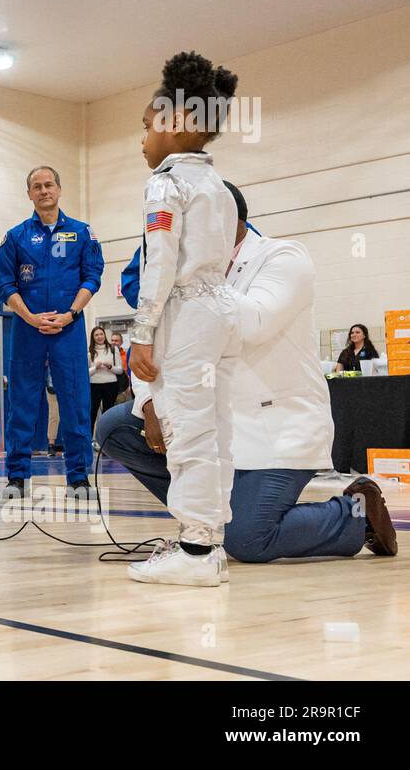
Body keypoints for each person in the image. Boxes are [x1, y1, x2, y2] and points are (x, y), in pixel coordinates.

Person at [97, 182, 397, 568]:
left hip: (277, 427)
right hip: (213, 425)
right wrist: (150, 401)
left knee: (249, 540)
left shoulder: (284, 257)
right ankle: (202, 518)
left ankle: (354, 515)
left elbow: (253, 323)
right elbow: (151, 350)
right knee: (116, 428)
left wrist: (196, 278)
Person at [125, 52, 243, 587]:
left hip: (188, 312)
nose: (143, 140)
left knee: (185, 424)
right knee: (216, 425)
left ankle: (194, 551)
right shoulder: (218, 186)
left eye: (147, 128)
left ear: (174, 125)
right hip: (223, 310)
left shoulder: (166, 183)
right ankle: (210, 542)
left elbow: (160, 263)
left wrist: (142, 334)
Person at [0, 166, 103, 499]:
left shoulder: (83, 233)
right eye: (36, 187)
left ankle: (78, 477)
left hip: (68, 330)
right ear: (29, 194)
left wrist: (70, 314)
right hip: (28, 330)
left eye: (49, 185)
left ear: (59, 189)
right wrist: (29, 317)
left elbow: (92, 277)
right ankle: (17, 477)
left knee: (75, 403)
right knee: (22, 404)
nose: (44, 191)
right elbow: (5, 284)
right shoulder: (15, 237)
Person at [87, 325, 123, 427]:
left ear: (105, 335)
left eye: (101, 334)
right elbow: (86, 373)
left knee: (108, 414)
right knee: (92, 413)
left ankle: (107, 439)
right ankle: (89, 440)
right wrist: (95, 368)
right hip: (94, 385)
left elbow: (120, 371)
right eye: (96, 335)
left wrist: (110, 367)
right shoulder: (90, 352)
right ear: (93, 337)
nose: (99, 337)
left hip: (111, 385)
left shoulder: (113, 349)